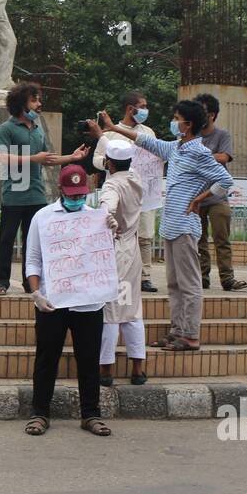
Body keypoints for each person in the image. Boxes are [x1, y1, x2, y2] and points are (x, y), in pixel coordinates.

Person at [94, 99, 233, 353]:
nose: (174, 122)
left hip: (185, 226)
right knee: (174, 283)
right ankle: (177, 331)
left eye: (177, 118)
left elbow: (225, 179)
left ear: (188, 124)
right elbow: (145, 141)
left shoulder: (198, 152)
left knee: (189, 284)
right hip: (171, 226)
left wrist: (200, 199)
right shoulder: (177, 149)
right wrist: (114, 127)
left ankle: (190, 335)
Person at [23, 165, 112, 437]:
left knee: (88, 359)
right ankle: (40, 413)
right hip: (52, 301)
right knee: (46, 358)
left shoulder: (97, 218)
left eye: (81, 194)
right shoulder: (43, 217)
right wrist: (36, 294)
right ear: (60, 190)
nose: (77, 199)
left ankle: (91, 414)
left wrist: (112, 230)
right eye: (72, 194)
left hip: (89, 303)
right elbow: (33, 260)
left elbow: (105, 255)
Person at [0, 82, 87, 295]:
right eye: (34, 100)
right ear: (20, 104)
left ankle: (30, 283)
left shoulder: (38, 129)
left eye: (38, 100)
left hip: (37, 195)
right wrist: (33, 158)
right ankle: (1, 282)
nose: (39, 104)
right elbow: (2, 157)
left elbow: (48, 159)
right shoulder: (6, 129)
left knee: (33, 241)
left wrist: (72, 157)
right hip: (13, 195)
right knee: (6, 239)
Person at [90, 91, 159, 292]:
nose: (146, 110)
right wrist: (109, 163)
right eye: (143, 106)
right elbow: (97, 158)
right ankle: (114, 273)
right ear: (130, 109)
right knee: (116, 232)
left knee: (145, 235)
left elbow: (156, 156)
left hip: (142, 192)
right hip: (118, 191)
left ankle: (145, 276)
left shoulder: (148, 132)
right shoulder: (111, 132)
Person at [97, 139, 147, 387]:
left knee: (111, 312)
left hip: (115, 249)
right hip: (133, 249)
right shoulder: (136, 179)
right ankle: (138, 369)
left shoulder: (112, 186)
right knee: (132, 309)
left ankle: (106, 370)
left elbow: (107, 209)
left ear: (108, 162)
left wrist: (107, 219)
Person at [194, 93, 247, 292]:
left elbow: (224, 157)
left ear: (213, 115)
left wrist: (200, 155)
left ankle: (227, 279)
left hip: (218, 196)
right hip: (195, 197)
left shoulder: (222, 135)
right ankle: (201, 278)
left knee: (221, 239)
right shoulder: (191, 135)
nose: (200, 116)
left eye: (204, 112)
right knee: (198, 240)